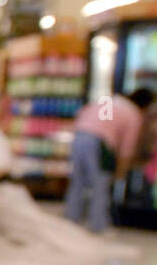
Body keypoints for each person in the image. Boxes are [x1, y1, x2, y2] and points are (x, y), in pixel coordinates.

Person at [66, 88, 154, 233]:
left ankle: (71, 220)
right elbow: (127, 148)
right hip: (100, 143)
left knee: (78, 181)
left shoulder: (111, 100)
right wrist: (121, 172)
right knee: (101, 184)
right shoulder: (133, 114)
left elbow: (82, 114)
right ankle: (98, 225)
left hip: (79, 135)